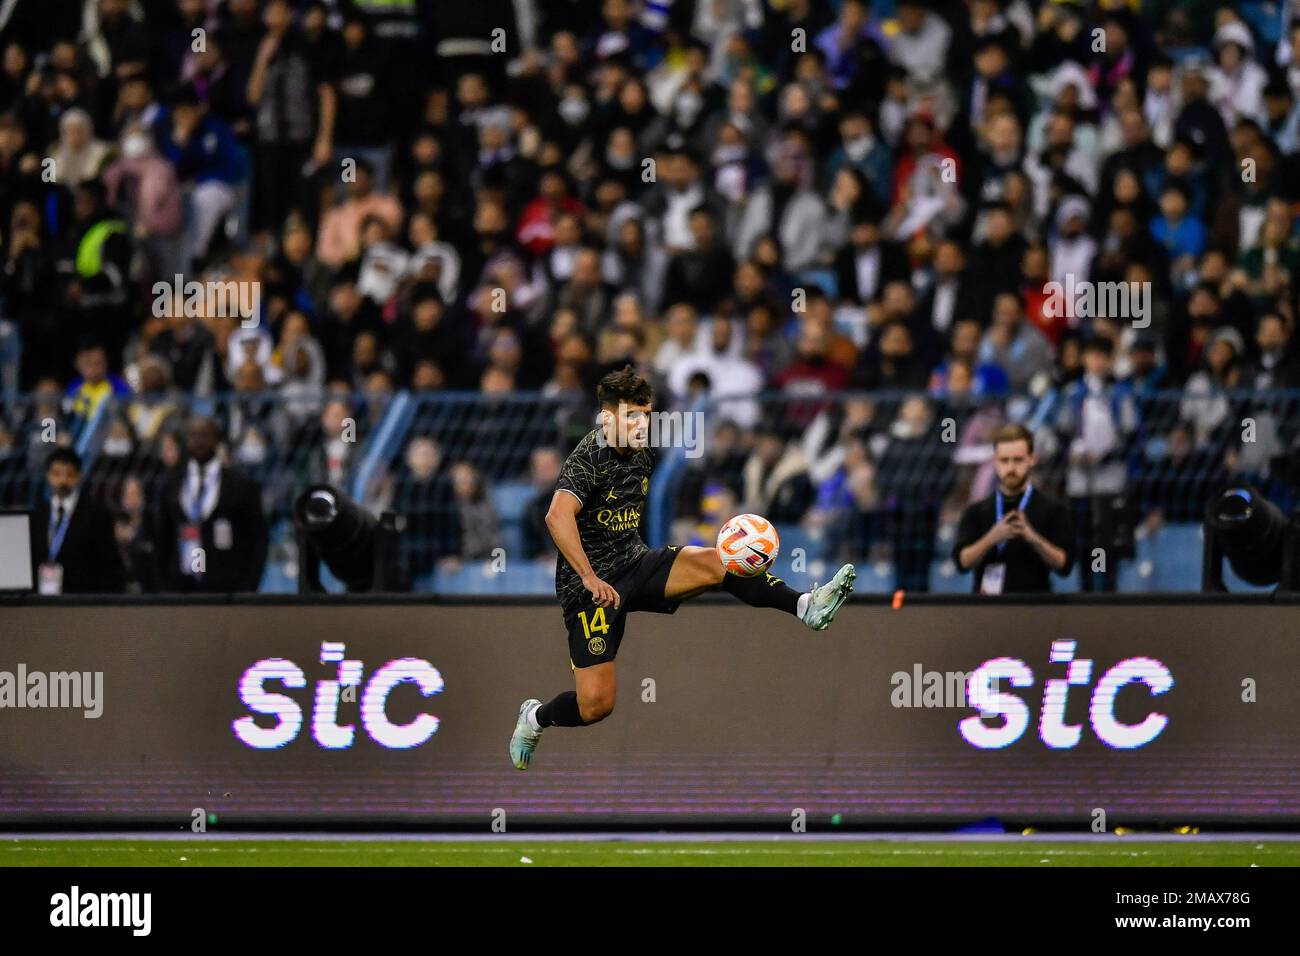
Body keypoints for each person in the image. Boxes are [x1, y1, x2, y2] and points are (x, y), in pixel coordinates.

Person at [508, 366, 857, 770]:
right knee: (596, 706)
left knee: (720, 562)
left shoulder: (644, 453)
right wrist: (589, 577)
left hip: (635, 562)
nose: (642, 425)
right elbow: (556, 517)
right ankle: (535, 718)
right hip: (590, 588)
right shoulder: (588, 458)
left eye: (646, 415)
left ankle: (805, 605)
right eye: (632, 417)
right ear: (607, 418)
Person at [952, 423, 1074, 594]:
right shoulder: (976, 511)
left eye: (1018, 460)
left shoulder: (1053, 509)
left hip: (1036, 604)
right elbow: (962, 563)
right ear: (995, 461)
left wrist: (1033, 537)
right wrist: (992, 538)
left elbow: (1064, 566)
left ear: (1032, 459)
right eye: (1004, 460)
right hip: (987, 608)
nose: (1011, 468)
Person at [153, 415, 268, 592]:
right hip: (181, 587)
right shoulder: (171, 485)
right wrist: (164, 586)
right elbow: (162, 537)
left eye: (205, 435)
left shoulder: (241, 485)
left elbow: (258, 538)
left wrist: (248, 587)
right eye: (194, 435)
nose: (199, 441)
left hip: (227, 587)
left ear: (217, 440)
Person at [29, 447, 125, 594]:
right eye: (57, 474)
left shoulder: (97, 515)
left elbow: (110, 566)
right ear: (48, 476)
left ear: (79, 476)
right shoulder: (37, 515)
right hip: (42, 602)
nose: (63, 480)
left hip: (82, 602)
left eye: (69, 474)